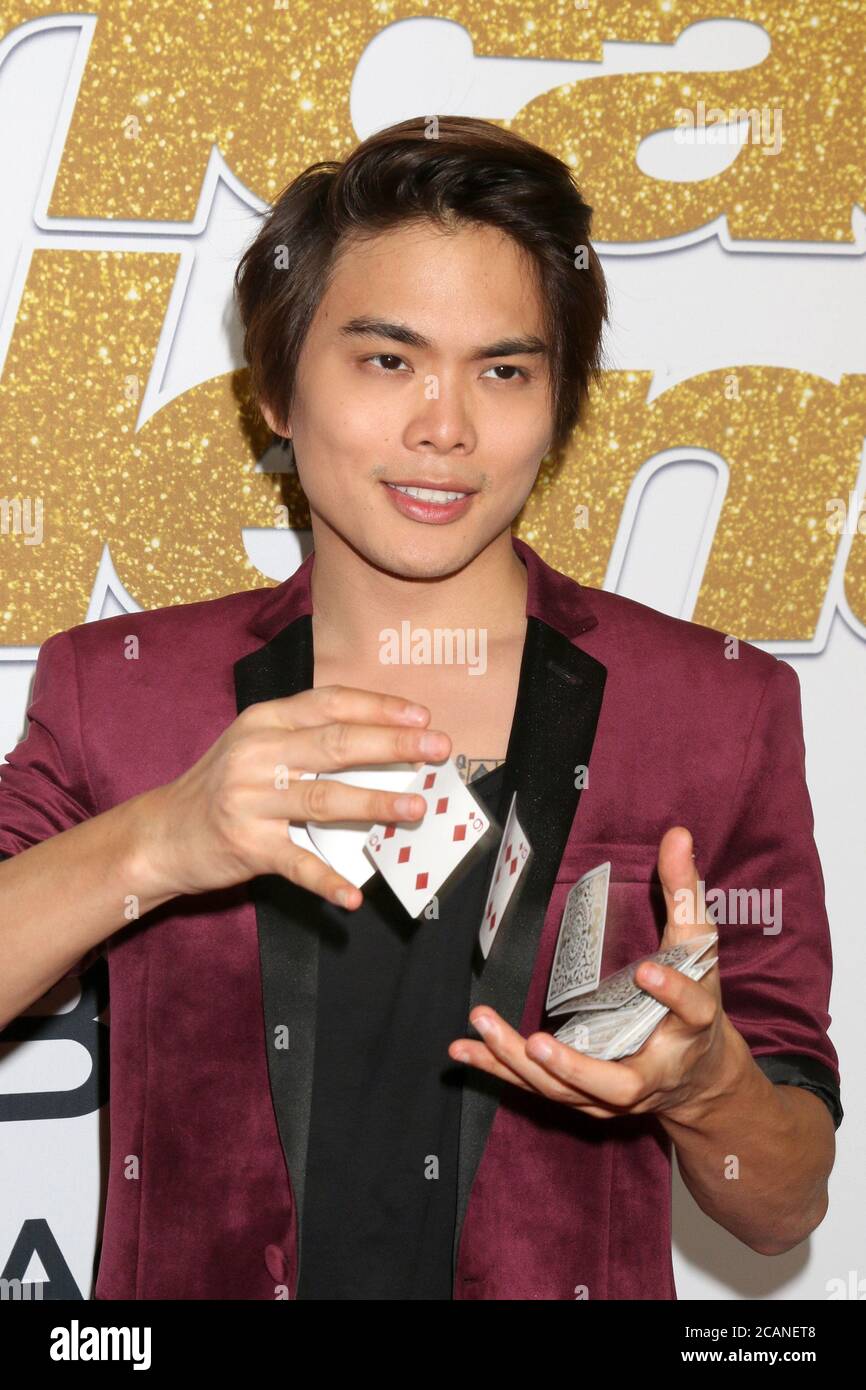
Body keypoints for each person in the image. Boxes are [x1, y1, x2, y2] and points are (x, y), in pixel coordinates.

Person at [0, 116, 841, 1301]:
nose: (444, 427)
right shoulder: (123, 687)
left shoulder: (714, 708)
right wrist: (157, 839)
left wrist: (705, 1087)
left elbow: (782, 1206)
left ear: (557, 409)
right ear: (277, 393)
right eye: (386, 360)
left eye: (503, 370)